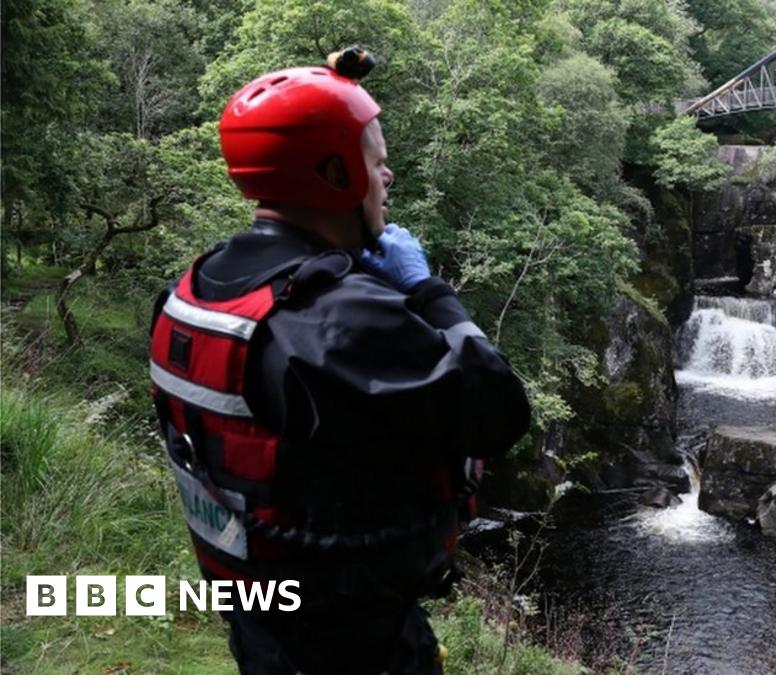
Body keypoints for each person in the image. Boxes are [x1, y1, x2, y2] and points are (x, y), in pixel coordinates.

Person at [148, 47, 531, 674]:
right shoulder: (339, 319)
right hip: (353, 636)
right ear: (334, 175)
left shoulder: (193, 288)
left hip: (261, 616)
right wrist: (429, 291)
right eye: (377, 164)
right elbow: (499, 409)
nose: (389, 179)